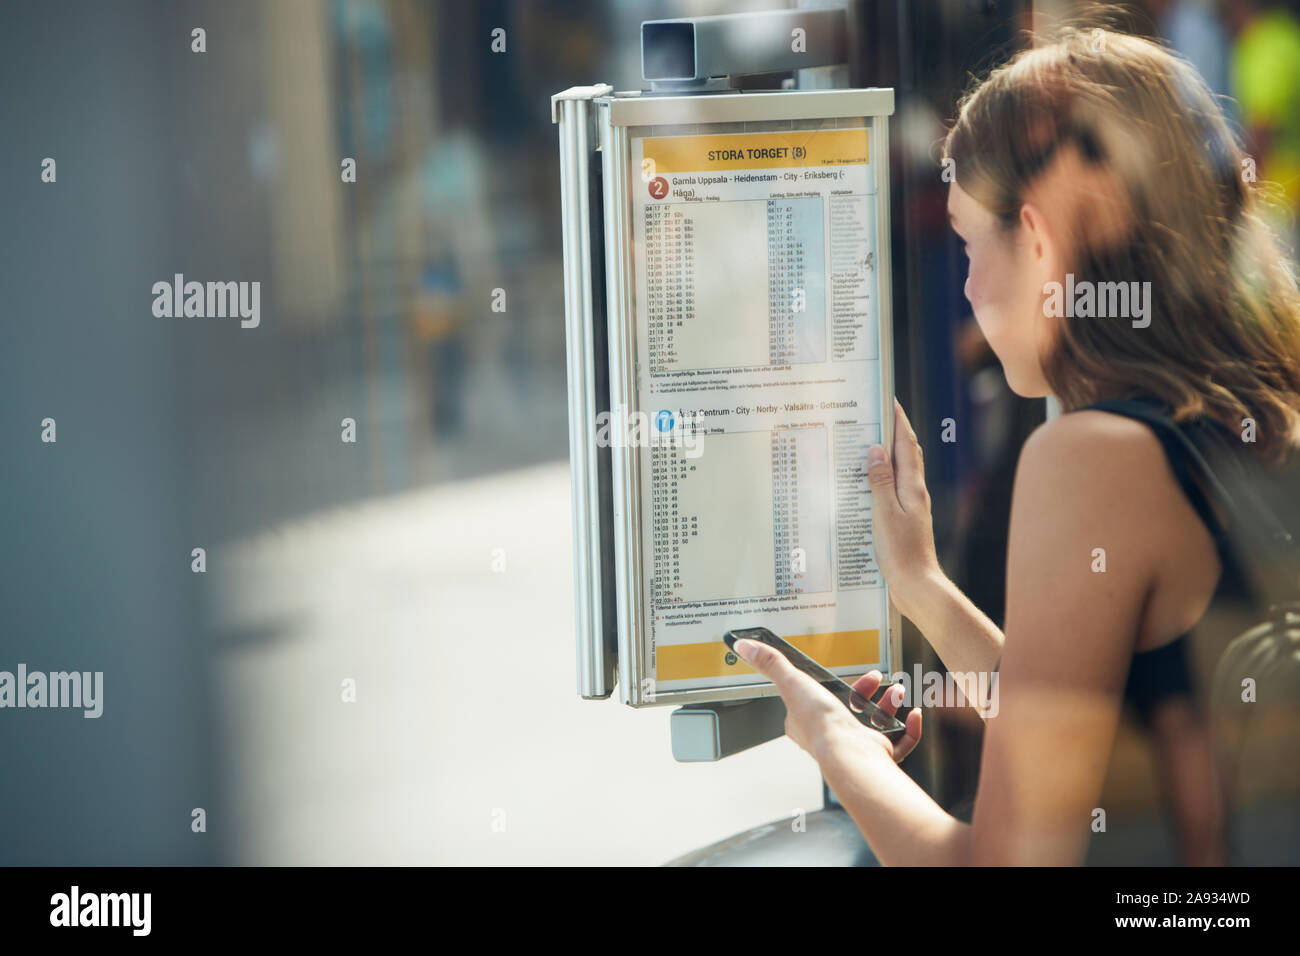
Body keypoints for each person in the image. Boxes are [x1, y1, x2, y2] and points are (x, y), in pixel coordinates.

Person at [734, 24, 1300, 865]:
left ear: (1038, 243)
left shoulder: (1089, 460)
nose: (963, 288)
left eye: (968, 244)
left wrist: (838, 751)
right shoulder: (1250, 411)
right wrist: (922, 584)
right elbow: (1085, 714)